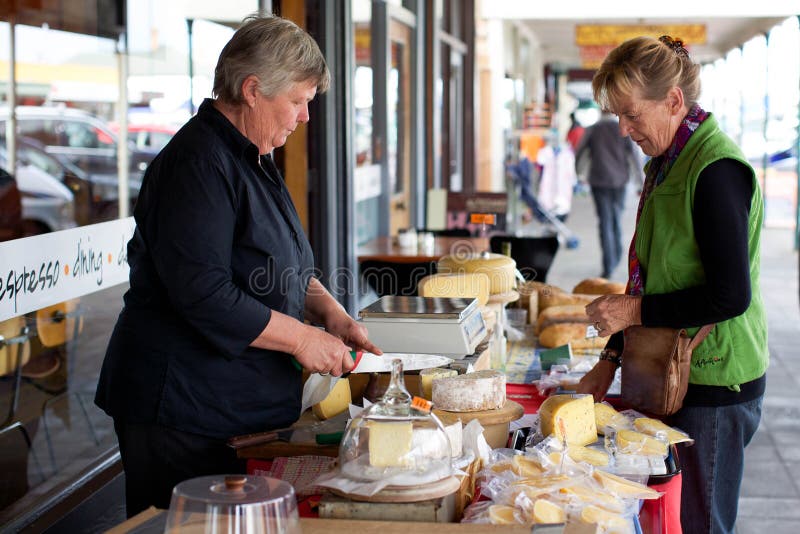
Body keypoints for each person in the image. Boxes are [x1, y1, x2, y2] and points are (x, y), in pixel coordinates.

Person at [94, 14, 381, 517]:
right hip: (180, 410)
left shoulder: (254, 156)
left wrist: (332, 315)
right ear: (252, 90)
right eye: (297, 101)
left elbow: (285, 265)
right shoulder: (198, 164)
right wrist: (301, 338)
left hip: (225, 407)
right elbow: (204, 292)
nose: (305, 117)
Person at [577, 35, 767, 534]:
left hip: (715, 379)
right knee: (673, 518)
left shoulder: (715, 169)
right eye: (617, 116)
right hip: (674, 371)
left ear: (674, 101)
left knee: (700, 523)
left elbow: (730, 295)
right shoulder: (667, 163)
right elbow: (649, 283)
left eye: (631, 114)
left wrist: (631, 314)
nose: (623, 129)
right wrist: (609, 359)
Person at [575, 110, 644, 278]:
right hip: (619, 181)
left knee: (605, 222)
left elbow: (579, 153)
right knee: (616, 219)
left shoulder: (593, 129)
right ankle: (618, 255)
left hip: (599, 181)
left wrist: (579, 174)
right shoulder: (623, 129)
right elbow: (634, 156)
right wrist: (640, 183)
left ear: (599, 111)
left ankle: (608, 265)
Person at [535, 128, 576, 222]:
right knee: (548, 204)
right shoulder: (545, 152)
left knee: (560, 205)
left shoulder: (566, 153)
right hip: (549, 186)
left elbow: (571, 171)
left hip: (561, 186)